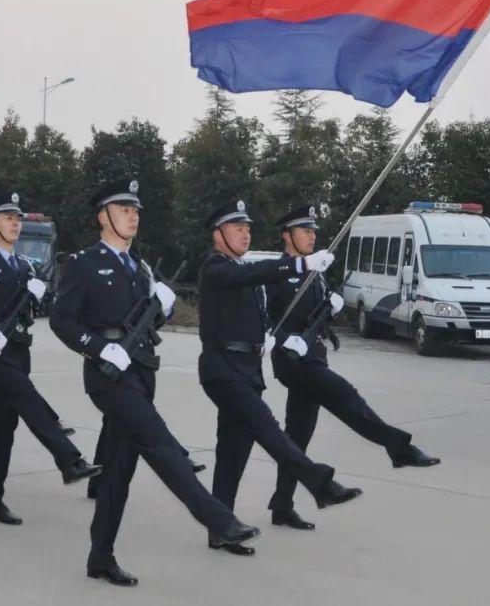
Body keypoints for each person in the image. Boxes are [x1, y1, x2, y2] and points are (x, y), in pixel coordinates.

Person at [51, 180, 259, 586]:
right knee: (161, 444)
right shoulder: (84, 263)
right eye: (124, 209)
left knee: (118, 474)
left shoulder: (139, 267)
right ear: (103, 216)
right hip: (108, 378)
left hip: (142, 373)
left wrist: (161, 309)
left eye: (136, 210)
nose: (133, 216)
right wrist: (99, 348)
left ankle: (100, 557)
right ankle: (218, 519)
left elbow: (146, 325)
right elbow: (62, 321)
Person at [197, 198, 362, 555]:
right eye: (237, 227)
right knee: (269, 430)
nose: (245, 233)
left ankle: (220, 528)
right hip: (223, 371)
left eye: (247, 227)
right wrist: (301, 264)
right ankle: (319, 483)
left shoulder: (241, 270)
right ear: (218, 234)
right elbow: (252, 274)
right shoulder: (216, 268)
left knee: (233, 452)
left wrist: (271, 337)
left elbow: (259, 308)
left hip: (246, 370)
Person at [265, 204, 440, 530]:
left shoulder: (316, 272)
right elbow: (263, 317)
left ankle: (282, 505)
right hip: (292, 361)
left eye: (313, 231)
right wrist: (284, 338)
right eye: (305, 231)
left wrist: (330, 308)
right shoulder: (277, 272)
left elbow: (314, 315)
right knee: (347, 397)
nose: (312, 236)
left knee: (298, 436)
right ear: (287, 236)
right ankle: (398, 447)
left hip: (313, 357)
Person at [0, 190, 100, 525]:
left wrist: (39, 297)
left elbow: (35, 311)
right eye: (7, 218)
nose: (15, 223)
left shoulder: (24, 267)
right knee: (28, 398)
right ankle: (69, 460)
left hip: (17, 353)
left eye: (17, 218)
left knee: (4, 429)